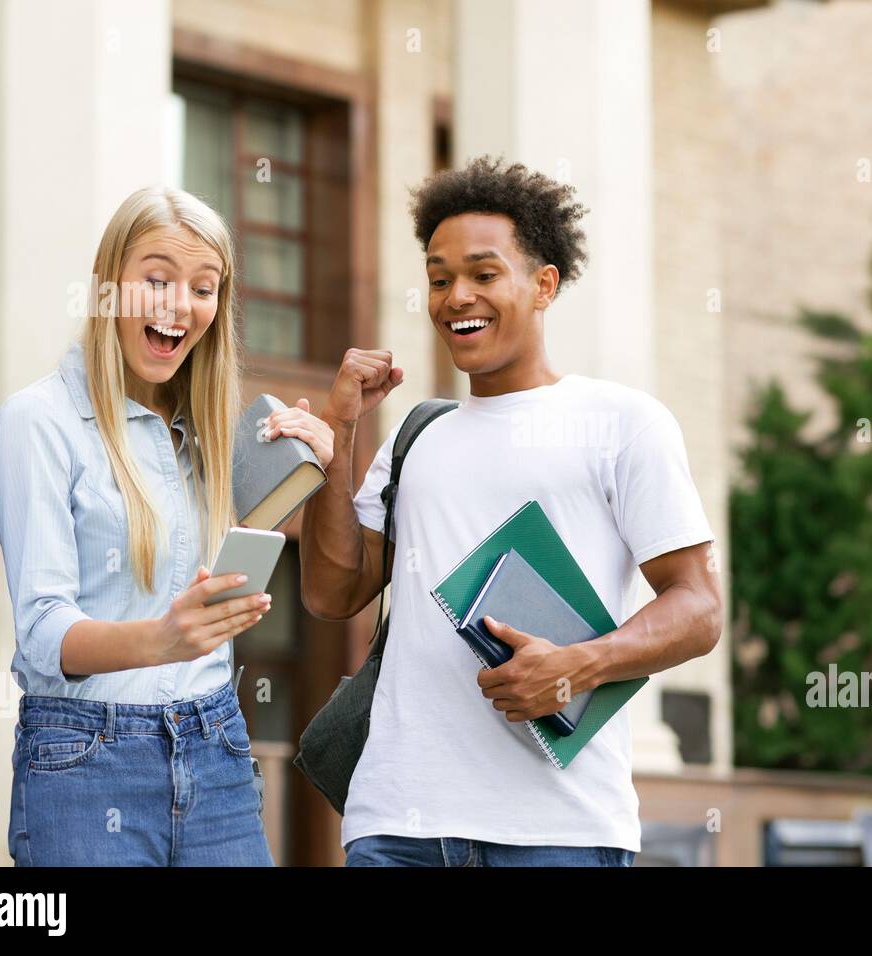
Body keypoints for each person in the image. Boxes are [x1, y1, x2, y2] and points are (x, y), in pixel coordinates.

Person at [298, 156, 724, 867]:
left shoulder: (622, 422)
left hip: (559, 832)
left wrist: (579, 665)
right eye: (439, 279)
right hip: (398, 827)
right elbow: (331, 592)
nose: (456, 296)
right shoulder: (417, 438)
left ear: (543, 285)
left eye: (483, 274)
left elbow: (700, 607)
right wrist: (339, 436)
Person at [0, 186, 332, 866]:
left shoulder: (211, 430)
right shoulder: (38, 423)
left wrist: (325, 455)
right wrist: (161, 639)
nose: (181, 306)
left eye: (204, 288)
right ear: (110, 284)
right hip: (86, 761)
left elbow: (251, 560)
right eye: (158, 279)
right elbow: (44, 632)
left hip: (217, 748)